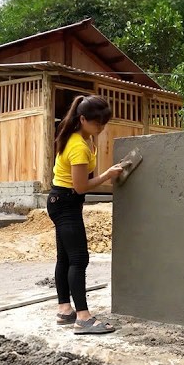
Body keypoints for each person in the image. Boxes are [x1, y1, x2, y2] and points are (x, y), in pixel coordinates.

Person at [50, 95, 125, 335]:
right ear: (82, 119)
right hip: (66, 203)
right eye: (97, 124)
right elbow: (80, 186)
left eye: (103, 124)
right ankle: (83, 317)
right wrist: (107, 175)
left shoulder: (80, 137)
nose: (101, 129)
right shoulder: (78, 146)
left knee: (65, 257)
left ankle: (65, 310)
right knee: (79, 259)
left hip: (61, 201)